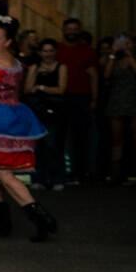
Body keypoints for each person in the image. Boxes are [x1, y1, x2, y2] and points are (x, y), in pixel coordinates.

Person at [0, 17, 59, 242]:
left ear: (7, 42)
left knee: (2, 174)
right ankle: (0, 223)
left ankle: (42, 219)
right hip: (14, 115)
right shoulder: (15, 63)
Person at [100, 35, 136, 185]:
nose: (124, 45)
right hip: (116, 101)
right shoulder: (113, 59)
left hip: (134, 100)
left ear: (134, 45)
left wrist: (130, 57)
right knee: (117, 139)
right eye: (121, 43)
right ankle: (116, 174)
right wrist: (113, 54)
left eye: (127, 43)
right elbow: (106, 75)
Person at [54, 17, 98, 185]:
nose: (71, 32)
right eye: (69, 29)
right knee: (59, 136)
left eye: (75, 29)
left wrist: (94, 98)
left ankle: (81, 173)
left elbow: (93, 75)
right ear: (64, 30)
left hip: (81, 98)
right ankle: (61, 173)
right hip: (59, 97)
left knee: (81, 138)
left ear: (79, 31)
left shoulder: (87, 51)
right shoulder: (57, 50)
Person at [26, 38, 67, 192]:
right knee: (37, 146)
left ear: (55, 52)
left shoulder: (62, 67)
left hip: (55, 110)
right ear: (40, 52)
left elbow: (61, 89)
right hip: (37, 110)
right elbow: (28, 89)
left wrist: (41, 87)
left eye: (51, 51)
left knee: (53, 145)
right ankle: (38, 178)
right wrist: (40, 84)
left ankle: (57, 178)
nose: (48, 54)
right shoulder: (34, 67)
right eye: (45, 51)